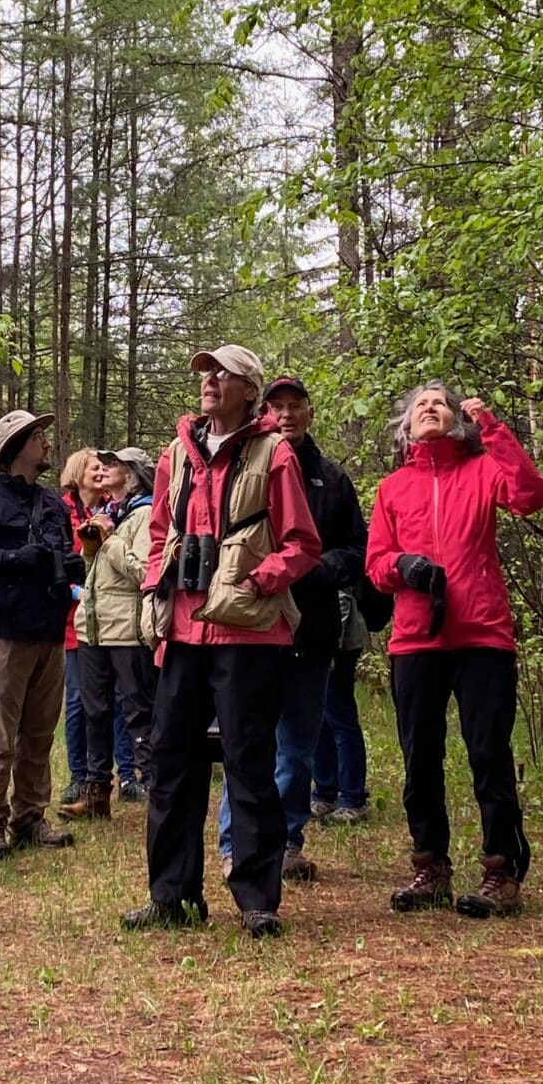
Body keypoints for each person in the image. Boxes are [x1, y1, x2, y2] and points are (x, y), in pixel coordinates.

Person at [122, 344, 321, 939]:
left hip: (248, 632)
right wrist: (161, 578)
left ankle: (258, 899)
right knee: (172, 762)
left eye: (222, 373)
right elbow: (159, 530)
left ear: (247, 389)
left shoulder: (275, 453)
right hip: (182, 630)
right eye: (206, 373)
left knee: (248, 761)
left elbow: (302, 544)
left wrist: (259, 581)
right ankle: (172, 897)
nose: (209, 381)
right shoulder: (175, 456)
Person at [366, 382, 543, 918]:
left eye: (440, 403)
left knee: (488, 753)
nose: (429, 407)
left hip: (482, 634)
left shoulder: (483, 469)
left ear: (457, 419)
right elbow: (376, 565)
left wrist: (491, 427)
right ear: (407, 425)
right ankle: (430, 868)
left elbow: (532, 496)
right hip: (416, 637)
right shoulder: (392, 488)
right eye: (420, 403)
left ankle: (502, 871)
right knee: (419, 756)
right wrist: (403, 566)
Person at [215, 375, 367, 883]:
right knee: (245, 739)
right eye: (276, 405)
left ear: (308, 413)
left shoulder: (331, 478)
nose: (285, 414)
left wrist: (315, 569)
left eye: (294, 405)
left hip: (312, 627)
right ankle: (236, 843)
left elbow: (356, 551)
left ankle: (287, 842)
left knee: (298, 745)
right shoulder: (243, 464)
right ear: (264, 410)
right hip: (250, 625)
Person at [0, 410, 85, 860]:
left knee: (39, 732)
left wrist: (73, 564)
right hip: (4, 631)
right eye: (37, 437)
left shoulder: (53, 503)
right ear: (15, 446)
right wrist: (18, 560)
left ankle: (30, 816)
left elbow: (66, 554)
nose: (46, 444)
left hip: (50, 630)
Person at [58, 447, 159, 822]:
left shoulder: (145, 514)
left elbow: (142, 571)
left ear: (132, 474)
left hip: (127, 631)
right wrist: (92, 547)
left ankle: (156, 788)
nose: (105, 469)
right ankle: (96, 794)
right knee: (94, 710)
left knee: (137, 710)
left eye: (114, 464)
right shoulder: (108, 514)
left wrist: (111, 540)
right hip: (94, 628)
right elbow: (96, 574)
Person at [310, 585, 372, 826]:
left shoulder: (336, 554)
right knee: (321, 719)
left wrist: (330, 647)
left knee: (340, 719)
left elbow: (341, 598)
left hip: (340, 646)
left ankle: (353, 798)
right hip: (320, 645)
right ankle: (325, 792)